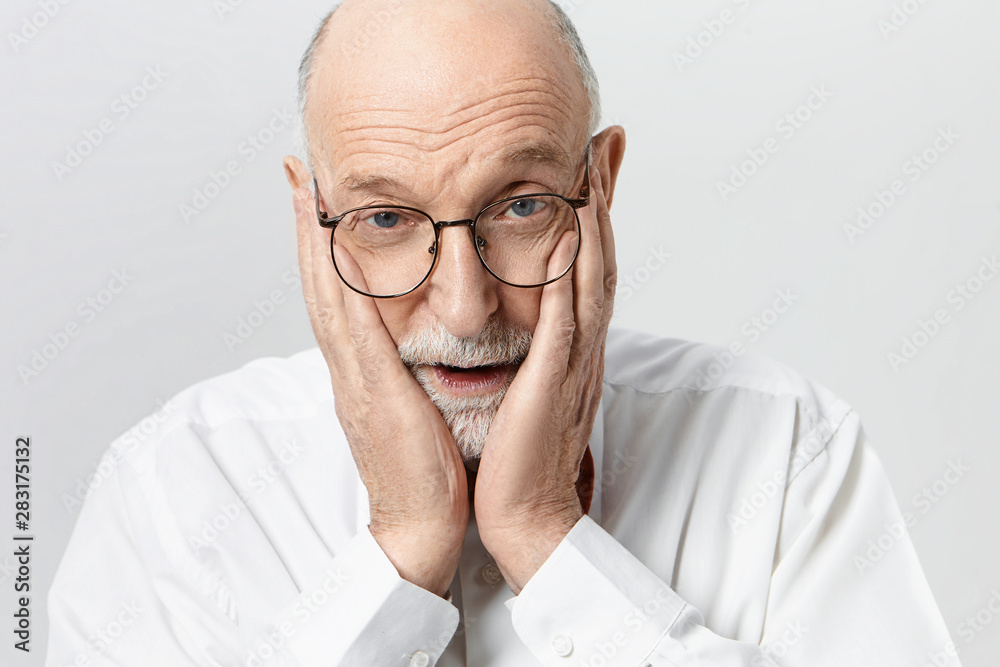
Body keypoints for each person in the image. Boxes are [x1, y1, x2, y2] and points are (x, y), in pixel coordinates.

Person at [46, 0, 961, 665]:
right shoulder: (170, 487)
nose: (463, 306)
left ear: (599, 184)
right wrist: (400, 551)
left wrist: (547, 538)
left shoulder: (786, 451)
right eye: (386, 219)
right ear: (310, 214)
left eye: (521, 206)